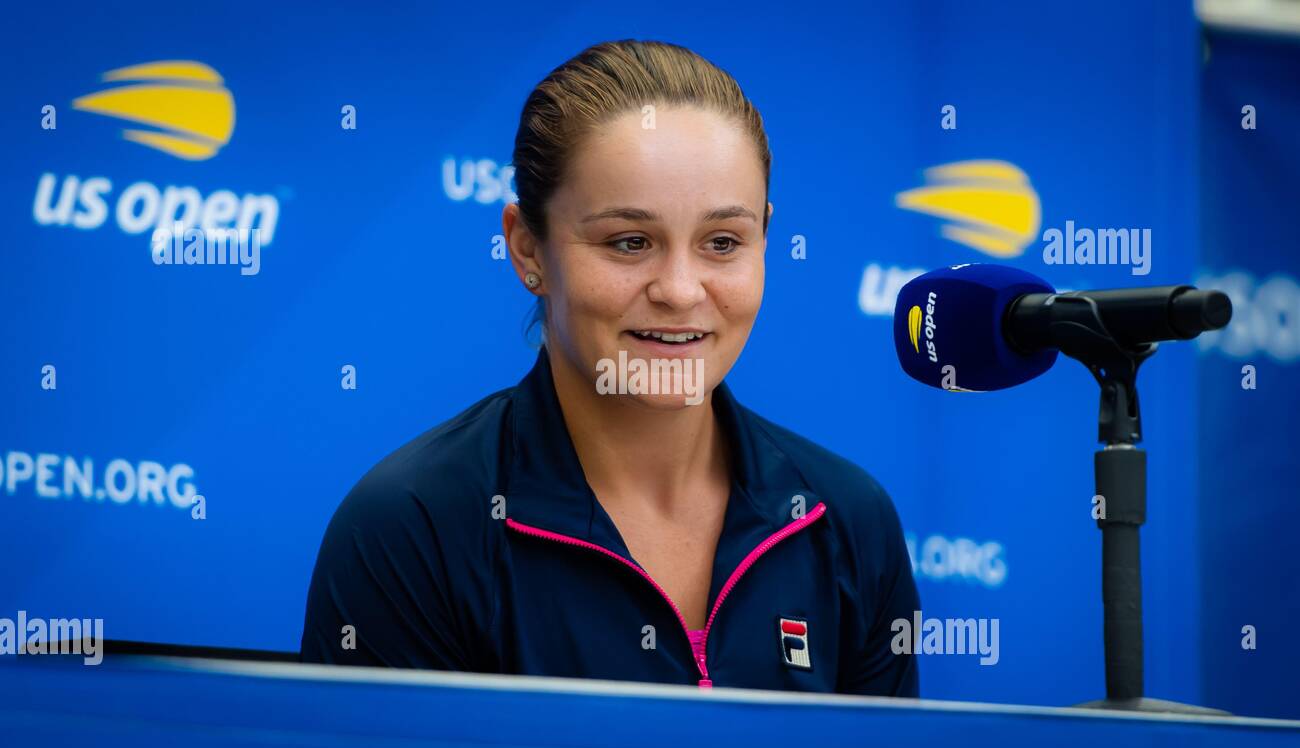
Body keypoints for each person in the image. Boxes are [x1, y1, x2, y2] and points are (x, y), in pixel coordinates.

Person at [300, 39, 920, 695]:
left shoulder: (847, 520)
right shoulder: (412, 528)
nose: (681, 290)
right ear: (527, 247)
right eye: (630, 241)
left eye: (722, 242)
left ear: (765, 237)